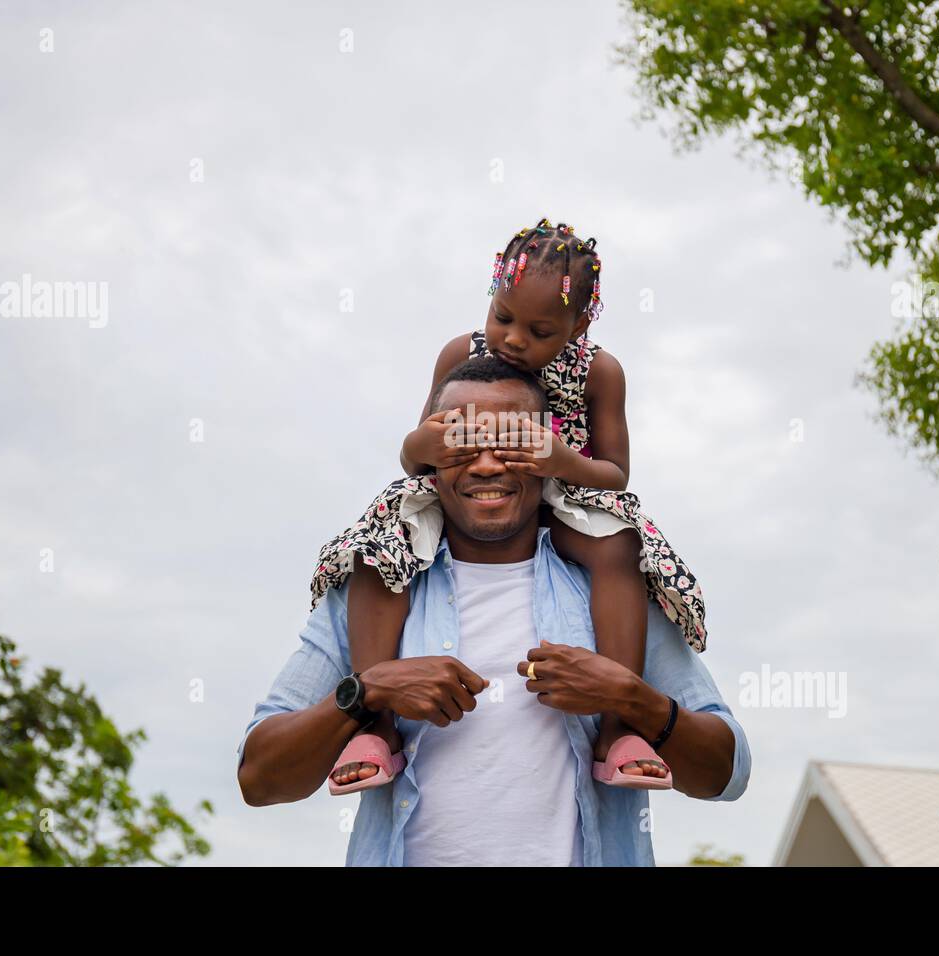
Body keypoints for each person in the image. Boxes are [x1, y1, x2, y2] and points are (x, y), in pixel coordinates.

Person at [237, 357, 750, 866]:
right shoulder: (376, 587)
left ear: (547, 456)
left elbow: (727, 773)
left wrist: (630, 697)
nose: (486, 465)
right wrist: (368, 691)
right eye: (462, 446)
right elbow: (259, 777)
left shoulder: (611, 592)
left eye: (512, 444)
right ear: (432, 462)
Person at [313, 218, 709, 794]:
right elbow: (416, 455)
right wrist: (421, 445)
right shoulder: (459, 352)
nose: (515, 339)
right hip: (472, 494)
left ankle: (620, 731)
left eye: (540, 329)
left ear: (579, 325)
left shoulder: (599, 371)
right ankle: (373, 728)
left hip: (563, 495)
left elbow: (615, 475)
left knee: (621, 547)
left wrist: (562, 460)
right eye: (503, 316)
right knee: (381, 545)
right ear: (491, 296)